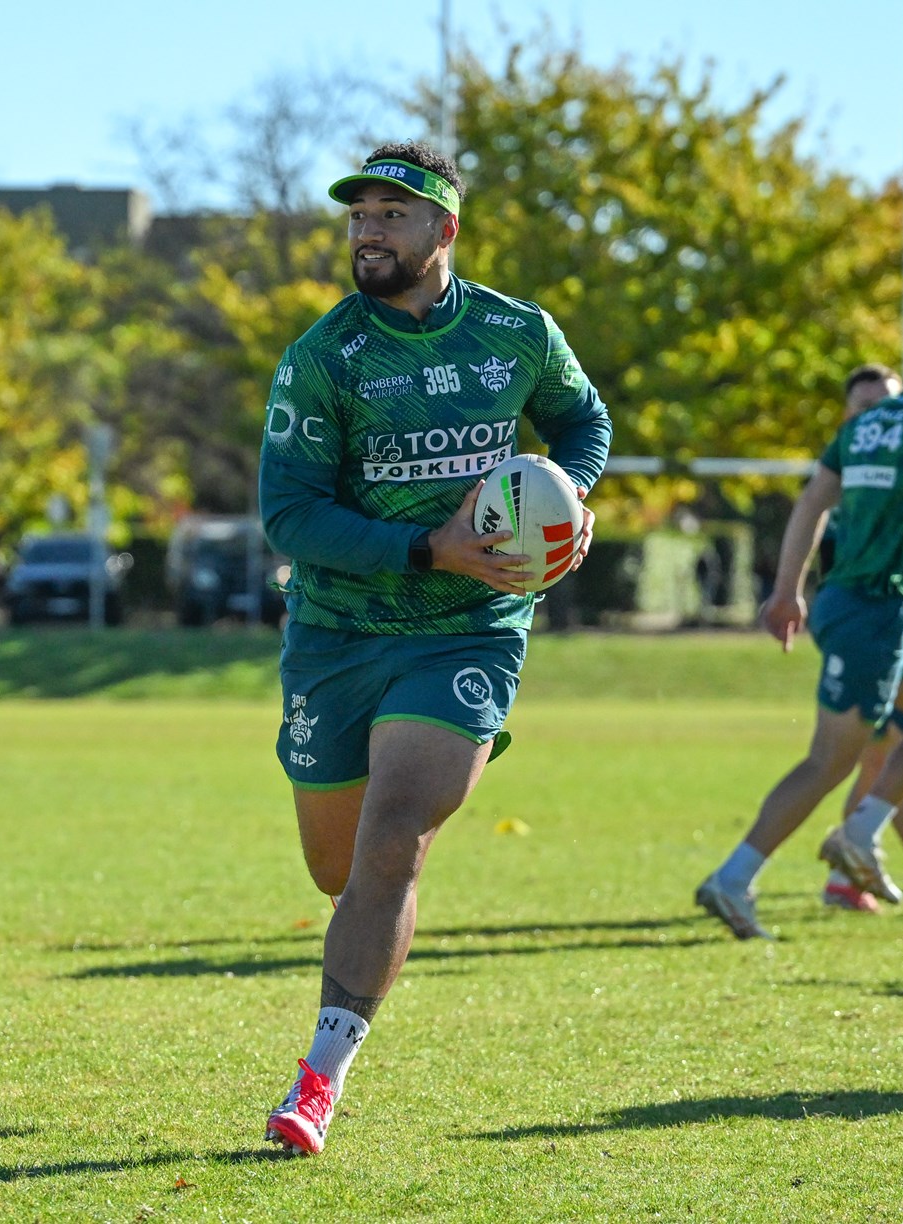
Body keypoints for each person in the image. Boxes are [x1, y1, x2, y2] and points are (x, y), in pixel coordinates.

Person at [258, 141, 612, 1153]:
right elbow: (289, 515)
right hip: (338, 634)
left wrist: (569, 494)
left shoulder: (516, 331)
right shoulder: (324, 357)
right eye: (359, 214)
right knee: (337, 868)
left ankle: (317, 1081)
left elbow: (582, 421)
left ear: (443, 229)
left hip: (468, 629)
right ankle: (372, 916)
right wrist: (428, 547)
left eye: (392, 214)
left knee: (395, 836)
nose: (368, 230)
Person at [696, 374, 903, 939]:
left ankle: (861, 834)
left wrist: (787, 590)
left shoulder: (867, 426)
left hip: (850, 601)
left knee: (887, 742)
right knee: (830, 761)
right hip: (878, 610)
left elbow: (815, 497)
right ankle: (736, 876)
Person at [818, 364, 903, 911]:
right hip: (872, 629)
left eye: (889, 404)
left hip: (895, 623)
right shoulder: (849, 496)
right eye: (867, 408)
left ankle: (851, 865)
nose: (883, 417)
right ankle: (848, 864)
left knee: (886, 760)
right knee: (879, 758)